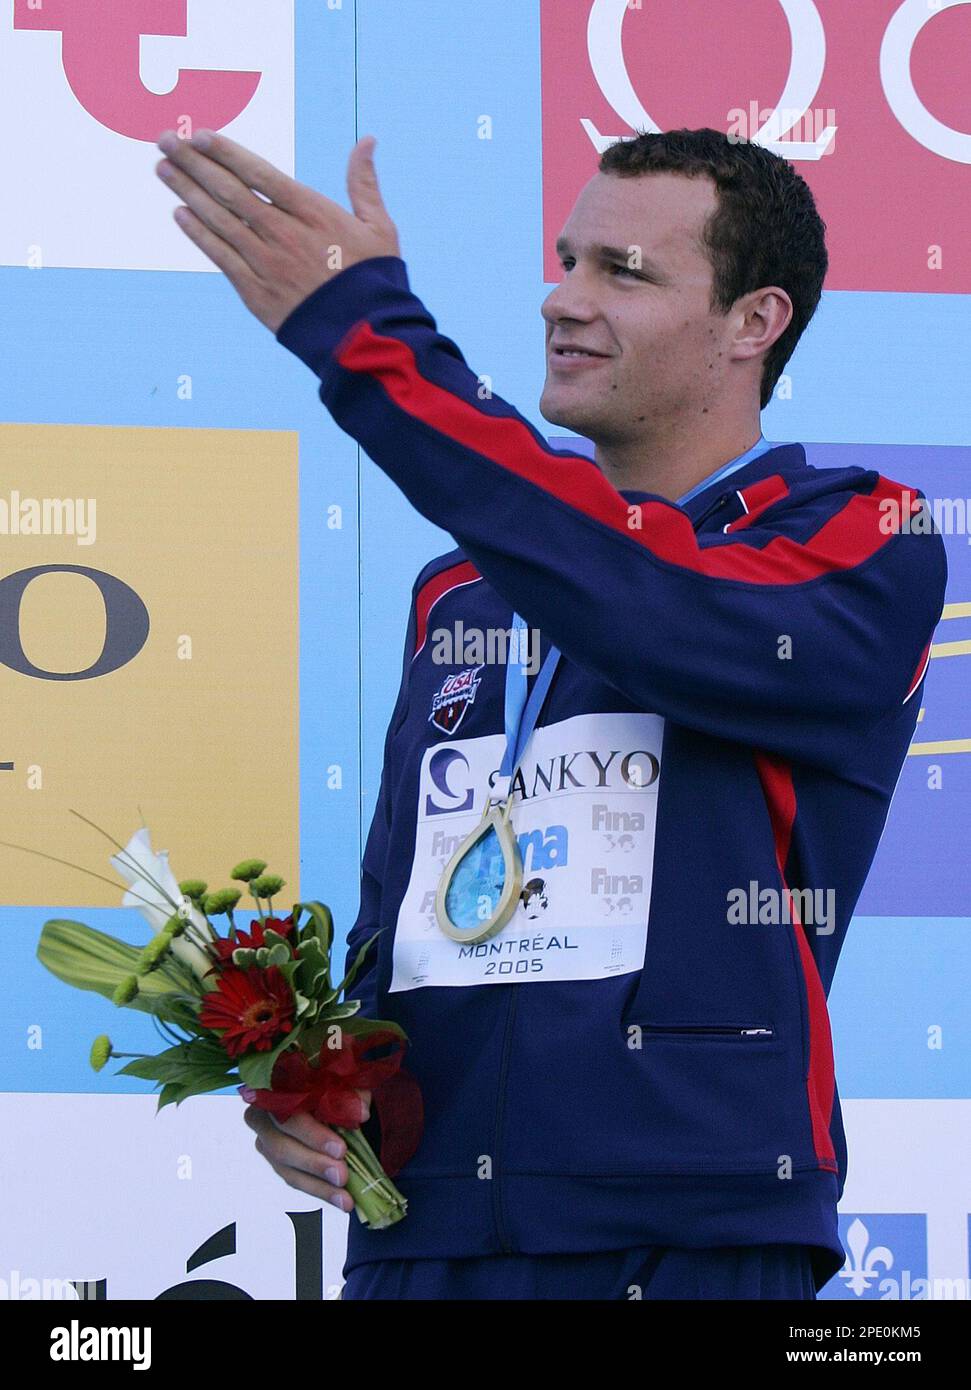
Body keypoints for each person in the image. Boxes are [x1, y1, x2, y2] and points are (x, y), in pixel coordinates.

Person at [155, 124, 947, 1300]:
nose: (559, 300)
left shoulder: (855, 536)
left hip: (685, 1223)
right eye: (565, 261)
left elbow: (644, 595)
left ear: (752, 322)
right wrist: (321, 1083)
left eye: (620, 272)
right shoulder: (459, 587)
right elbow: (401, 893)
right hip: (420, 1225)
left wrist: (368, 345)